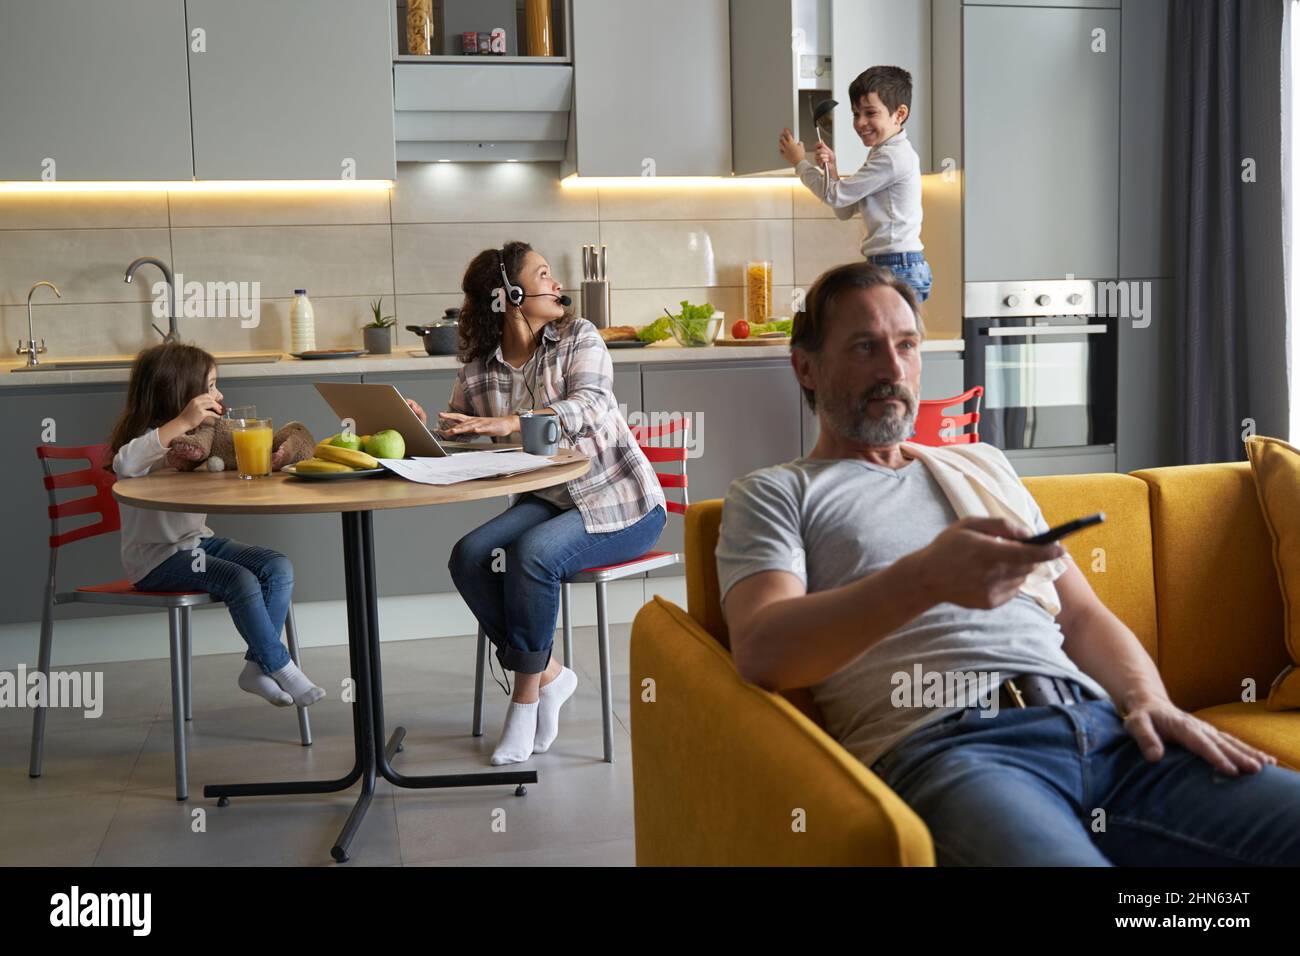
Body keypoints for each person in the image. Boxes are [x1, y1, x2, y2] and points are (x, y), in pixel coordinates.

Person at [715, 261, 1300, 866]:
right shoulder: (775, 493)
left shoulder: (980, 468)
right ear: (805, 366)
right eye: (865, 347)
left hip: (1105, 732)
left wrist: (1149, 700)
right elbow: (763, 649)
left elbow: (1080, 616)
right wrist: (926, 578)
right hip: (955, 752)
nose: (892, 368)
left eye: (906, 345)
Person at [404, 241, 666, 765]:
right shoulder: (480, 367)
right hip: (549, 501)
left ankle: (524, 701)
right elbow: (464, 434)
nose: (558, 284)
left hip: (620, 504)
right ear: (511, 294)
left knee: (533, 555)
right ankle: (549, 673)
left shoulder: (579, 338)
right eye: (544, 275)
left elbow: (590, 404)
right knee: (470, 555)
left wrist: (512, 423)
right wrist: (426, 426)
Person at [108, 343, 325, 709]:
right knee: (239, 579)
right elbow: (124, 464)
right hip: (156, 561)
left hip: (197, 545)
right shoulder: (148, 443)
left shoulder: (198, 442)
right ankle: (282, 666)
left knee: (277, 566)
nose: (219, 395)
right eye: (210, 386)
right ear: (180, 391)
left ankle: (256, 668)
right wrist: (183, 421)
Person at [778, 65, 933, 302]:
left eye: (870, 113)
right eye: (855, 114)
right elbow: (844, 210)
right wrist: (831, 169)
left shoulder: (892, 157)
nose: (860, 122)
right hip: (892, 265)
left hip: (898, 268)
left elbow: (835, 197)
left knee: (889, 338)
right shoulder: (883, 153)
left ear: (899, 114)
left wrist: (800, 163)